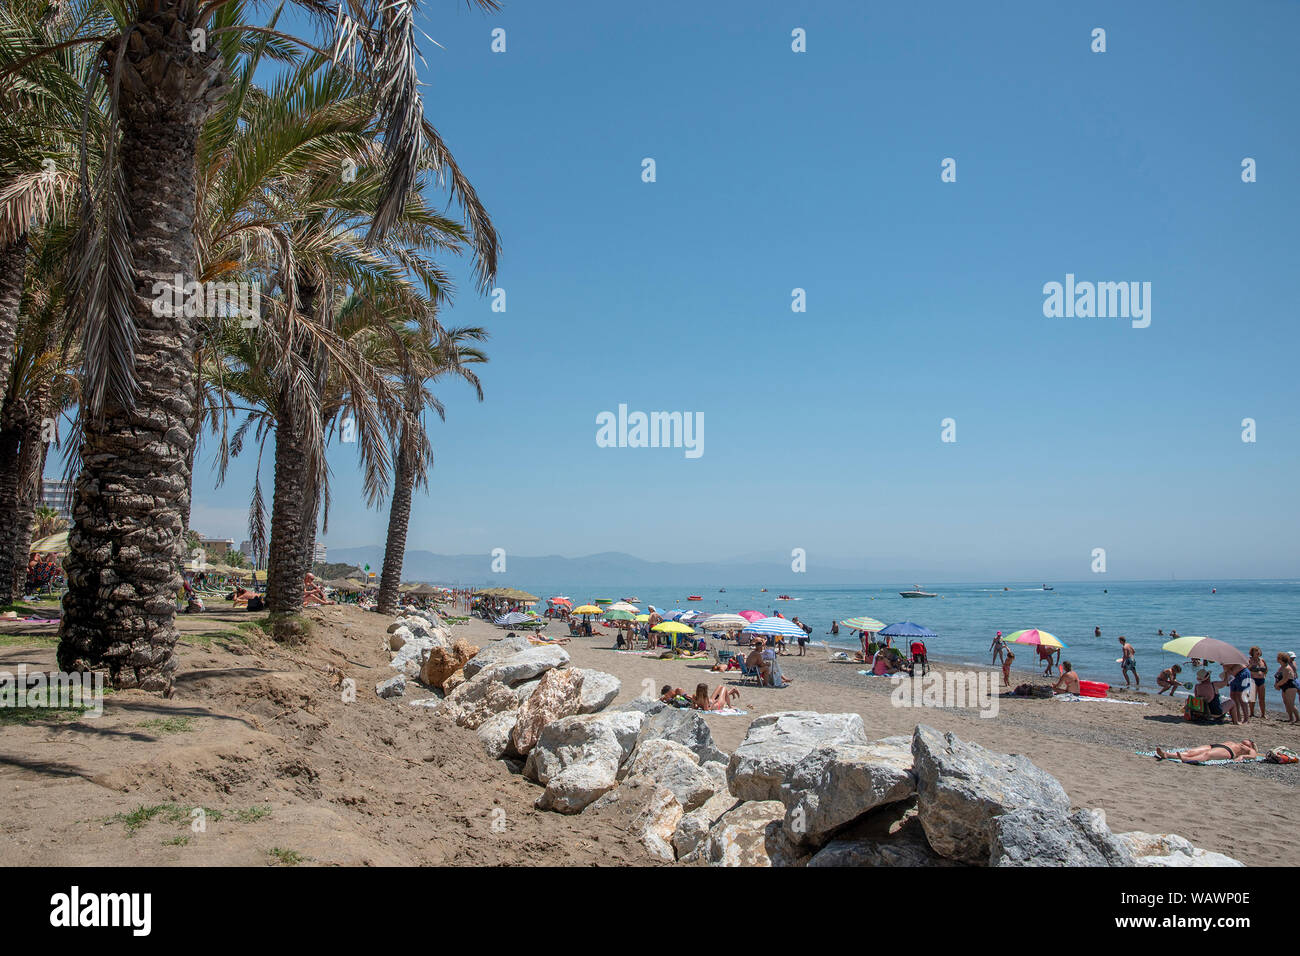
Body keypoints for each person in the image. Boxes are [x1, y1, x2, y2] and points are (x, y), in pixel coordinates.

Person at [1155, 740, 1256, 763]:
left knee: (1207, 755)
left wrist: (1243, 757)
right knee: (1191, 751)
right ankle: (1167, 754)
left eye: (1249, 740)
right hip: (1216, 746)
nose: (1246, 739)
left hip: (1228, 751)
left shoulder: (1248, 748)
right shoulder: (1236, 742)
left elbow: (1254, 756)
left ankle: (1187, 760)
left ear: (1251, 744)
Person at [1276, 652, 1299, 724]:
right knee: (1286, 702)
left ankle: (1298, 719)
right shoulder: (1281, 667)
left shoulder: (1287, 668)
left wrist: (1277, 685)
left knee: (1291, 703)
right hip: (1284, 686)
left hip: (1290, 686)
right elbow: (1277, 677)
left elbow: (1285, 679)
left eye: (1278, 658)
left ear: (1281, 659)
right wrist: (1277, 684)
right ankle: (1291, 718)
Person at [1248, 647, 1268, 719]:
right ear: (1252, 652)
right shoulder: (1249, 660)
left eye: (1258, 651)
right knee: (1253, 698)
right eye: (1256, 651)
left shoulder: (1262, 660)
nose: (1257, 652)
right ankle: (1252, 713)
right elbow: (1246, 669)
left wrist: (1264, 675)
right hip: (1253, 680)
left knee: (1262, 698)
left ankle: (1263, 714)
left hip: (1261, 680)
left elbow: (1266, 669)